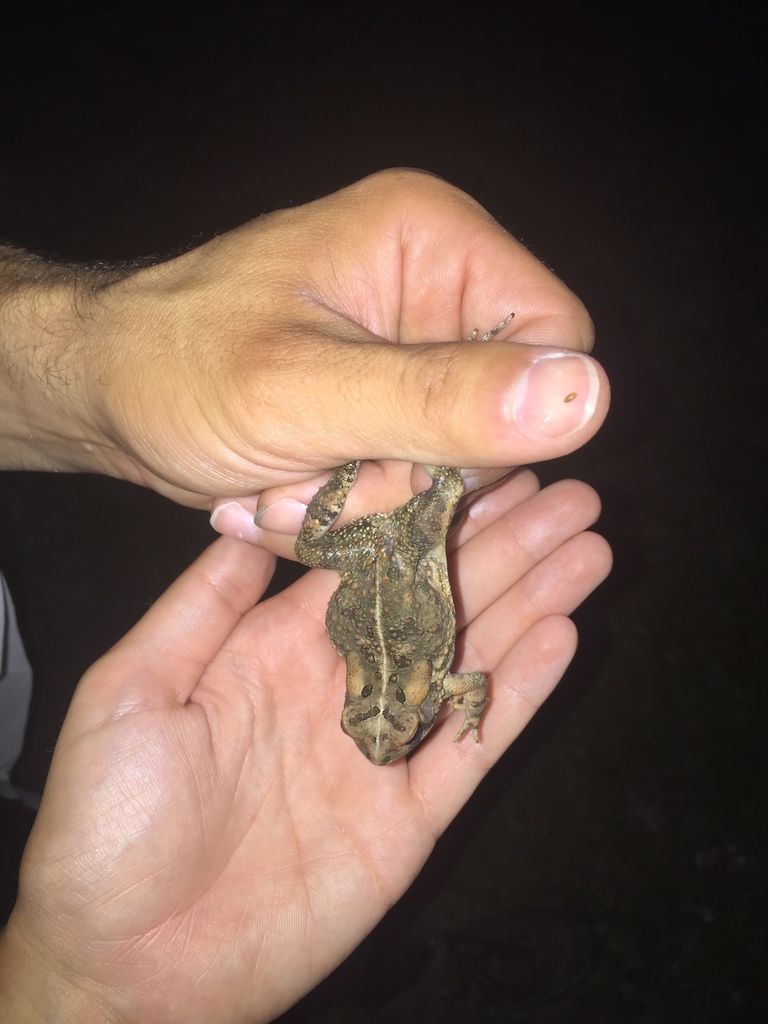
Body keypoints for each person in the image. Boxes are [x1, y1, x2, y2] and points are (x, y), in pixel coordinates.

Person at [0, 169, 611, 1022]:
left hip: (382, 565)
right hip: (407, 562)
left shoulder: (425, 684)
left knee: (414, 483)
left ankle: (457, 372)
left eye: (367, 719)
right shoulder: (437, 685)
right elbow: (470, 685)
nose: (383, 723)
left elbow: (458, 679)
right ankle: (457, 373)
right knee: (435, 481)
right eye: (388, 724)